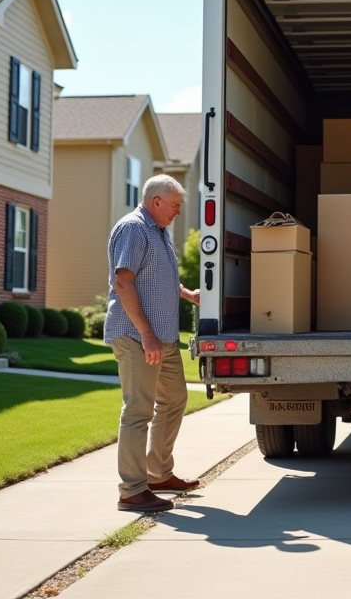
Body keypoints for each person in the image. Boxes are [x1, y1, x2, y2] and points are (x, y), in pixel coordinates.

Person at [105, 174, 202, 512]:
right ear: (156, 201)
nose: (178, 212)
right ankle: (132, 490)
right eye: (175, 206)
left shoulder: (159, 231)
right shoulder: (133, 228)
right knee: (137, 411)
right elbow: (124, 281)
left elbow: (158, 277)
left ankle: (158, 473)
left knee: (175, 398)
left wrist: (187, 294)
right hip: (137, 335)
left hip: (162, 337)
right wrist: (145, 333)